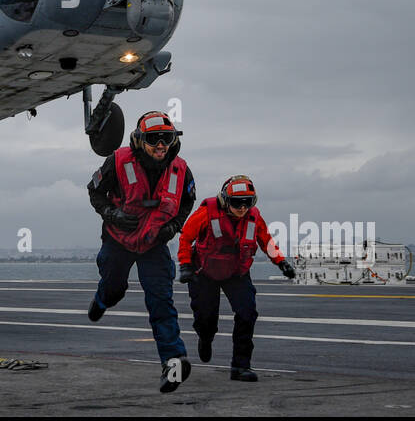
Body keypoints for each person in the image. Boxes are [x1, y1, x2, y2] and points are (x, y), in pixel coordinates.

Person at [86, 110, 196, 393]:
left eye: (166, 139)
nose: (161, 145)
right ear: (139, 140)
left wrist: (174, 226)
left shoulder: (181, 169)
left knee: (161, 303)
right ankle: (101, 300)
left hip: (153, 244)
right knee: (113, 288)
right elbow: (94, 191)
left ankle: (173, 363)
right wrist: (112, 214)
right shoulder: (118, 161)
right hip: (118, 240)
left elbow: (187, 201)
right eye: (154, 139)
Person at [177, 175, 297, 381]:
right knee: (206, 318)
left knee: (247, 313)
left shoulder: (254, 217)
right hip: (204, 272)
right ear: (225, 200)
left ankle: (241, 366)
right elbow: (186, 238)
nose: (242, 208)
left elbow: (266, 241)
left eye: (247, 203)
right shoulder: (205, 213)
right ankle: (205, 337)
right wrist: (186, 265)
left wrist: (281, 262)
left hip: (236, 272)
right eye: (236, 203)